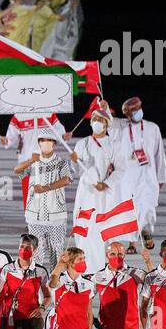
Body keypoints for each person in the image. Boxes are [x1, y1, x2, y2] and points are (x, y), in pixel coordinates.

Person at [111, 97, 166, 249]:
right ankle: (132, 241)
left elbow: (159, 154)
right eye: (133, 111)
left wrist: (161, 176)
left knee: (147, 206)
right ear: (127, 114)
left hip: (148, 175)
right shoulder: (120, 127)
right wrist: (103, 108)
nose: (137, 112)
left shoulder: (152, 128)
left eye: (138, 109)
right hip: (127, 176)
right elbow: (107, 122)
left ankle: (146, 230)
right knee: (131, 207)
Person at [67, 108, 117, 271]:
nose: (97, 122)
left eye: (101, 119)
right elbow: (78, 170)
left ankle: (104, 265)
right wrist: (74, 161)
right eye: (94, 118)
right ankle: (84, 264)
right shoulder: (83, 143)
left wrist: (107, 183)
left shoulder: (113, 144)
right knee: (85, 226)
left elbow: (119, 168)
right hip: (86, 192)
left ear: (107, 124)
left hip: (105, 191)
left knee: (104, 227)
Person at [15, 133, 70, 269]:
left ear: (54, 144)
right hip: (35, 217)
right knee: (35, 254)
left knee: (56, 253)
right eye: (43, 140)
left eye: (49, 140)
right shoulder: (33, 162)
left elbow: (67, 179)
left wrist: (46, 188)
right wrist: (30, 161)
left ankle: (55, 285)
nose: (46, 143)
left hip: (56, 216)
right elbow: (17, 170)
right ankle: (36, 284)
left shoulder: (62, 162)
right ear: (39, 143)